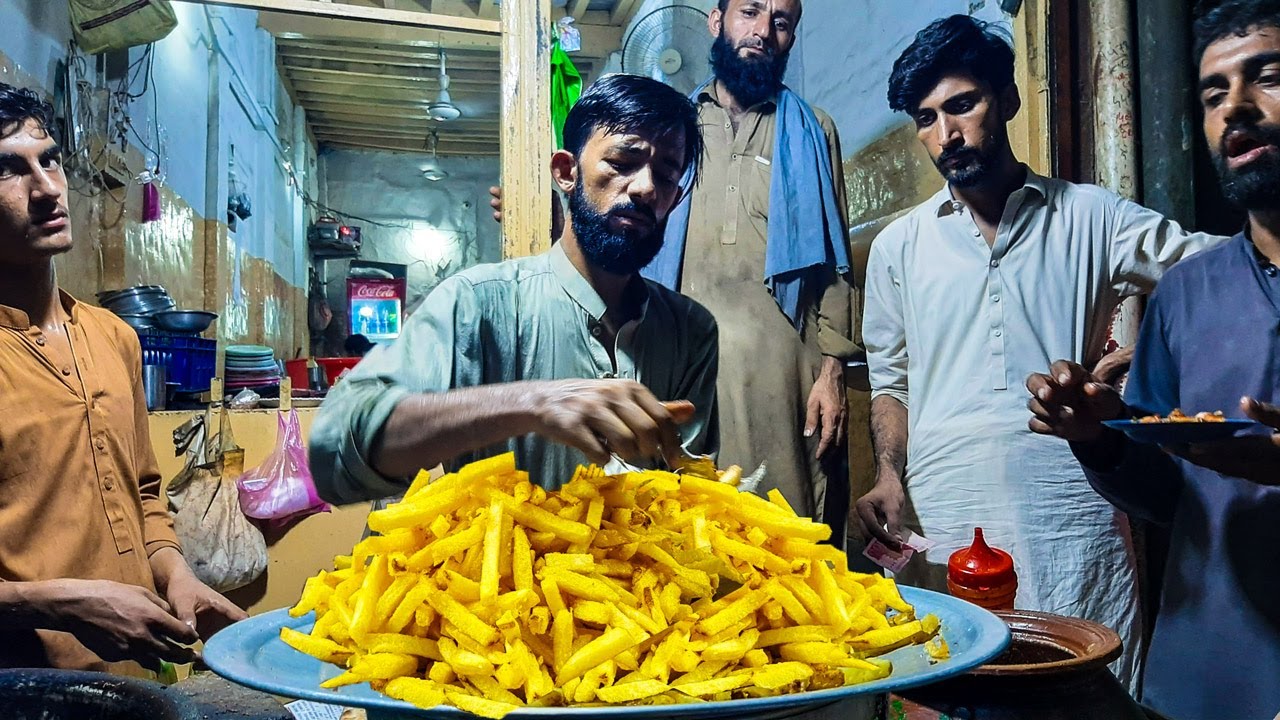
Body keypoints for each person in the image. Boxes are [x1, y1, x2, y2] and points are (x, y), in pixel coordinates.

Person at [854, 15, 1224, 688]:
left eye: (963, 105)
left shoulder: (1092, 215)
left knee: (1085, 682)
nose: (948, 135)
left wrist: (1146, 357)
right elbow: (891, 377)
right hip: (945, 504)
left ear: (1008, 99)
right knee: (955, 684)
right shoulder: (896, 247)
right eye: (928, 118)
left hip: (1071, 508)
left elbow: (1212, 272)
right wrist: (887, 473)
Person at [1027, 3, 1280, 714]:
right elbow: (1167, 495)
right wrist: (1099, 441)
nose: (1236, 107)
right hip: (1203, 677)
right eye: (1212, 94)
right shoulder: (1188, 293)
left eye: (1267, 77)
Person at [310, 74, 718, 503]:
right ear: (567, 172)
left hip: (641, 570)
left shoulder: (690, 331)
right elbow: (334, 446)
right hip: (492, 572)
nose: (646, 187)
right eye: (621, 162)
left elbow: (696, 492)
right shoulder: (476, 302)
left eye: (667, 174)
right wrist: (532, 403)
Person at [0, 82, 244, 673]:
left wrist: (176, 575)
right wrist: (62, 604)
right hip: (27, 690)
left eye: (50, 159)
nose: (48, 188)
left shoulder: (116, 338)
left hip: (139, 678)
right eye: (9, 171)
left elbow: (143, 494)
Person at [641, 0, 858, 543]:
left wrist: (832, 374)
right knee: (687, 541)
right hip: (684, 368)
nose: (763, 31)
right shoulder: (671, 126)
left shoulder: (813, 130)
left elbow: (836, 265)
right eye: (750, 12)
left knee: (791, 541)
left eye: (780, 22)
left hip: (785, 376)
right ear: (716, 21)